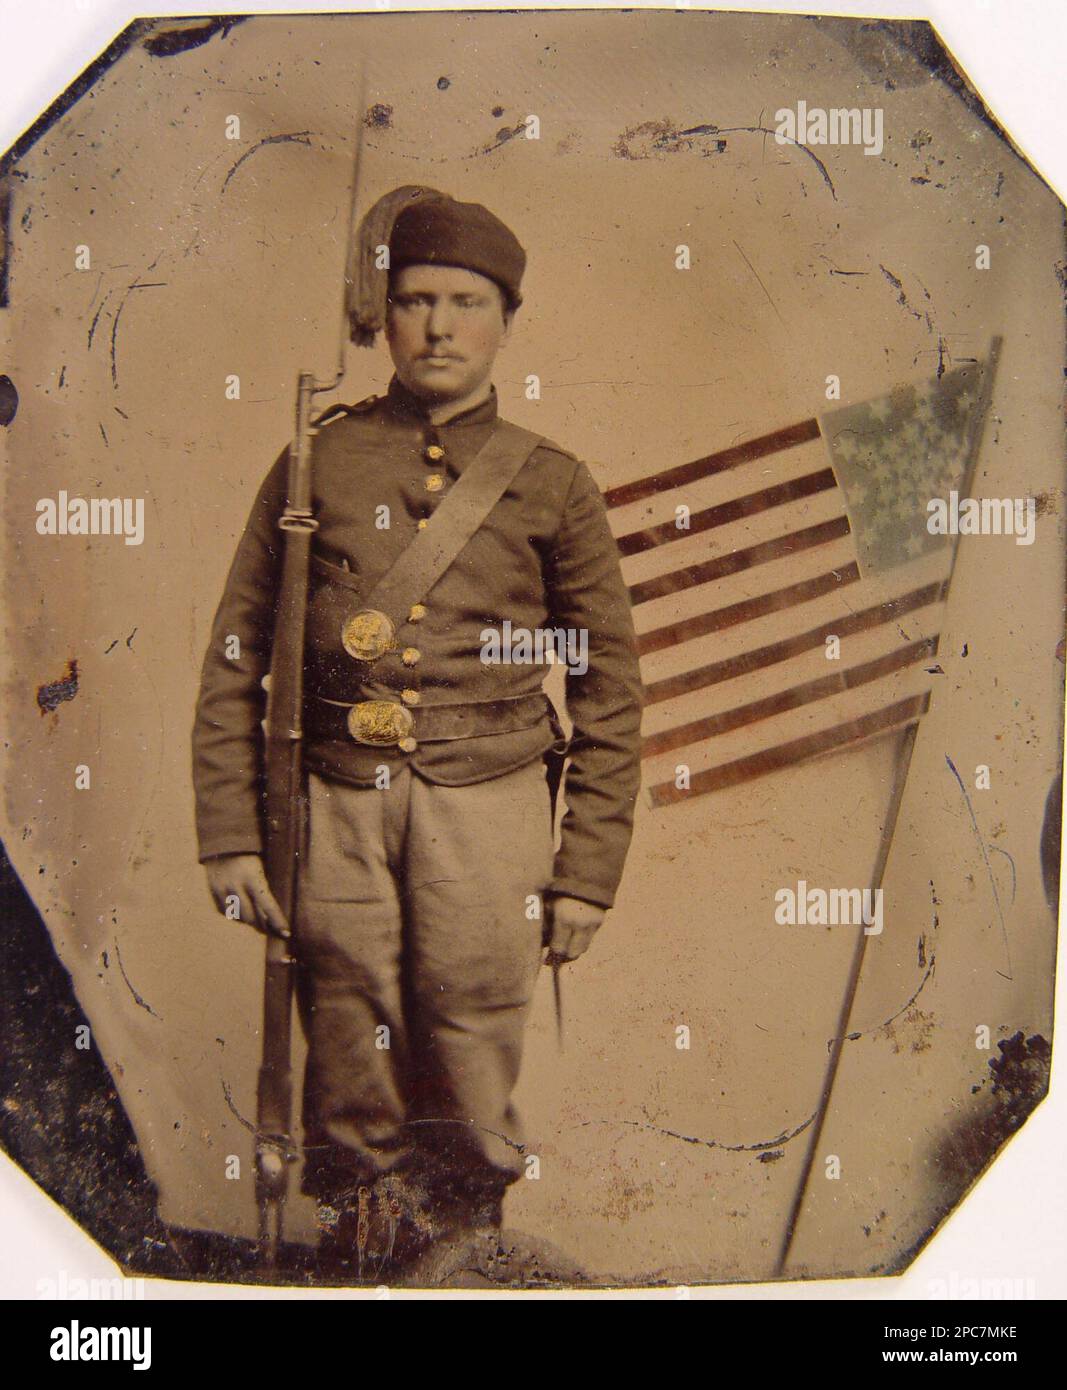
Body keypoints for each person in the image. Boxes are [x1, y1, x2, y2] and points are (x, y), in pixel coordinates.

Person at [191, 186, 644, 1277]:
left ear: (504, 321)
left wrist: (584, 872)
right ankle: (359, 1267)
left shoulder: (550, 484)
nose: (439, 326)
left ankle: (464, 1271)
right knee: (347, 1045)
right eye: (414, 301)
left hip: (487, 808)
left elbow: (607, 688)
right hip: (335, 804)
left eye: (467, 302)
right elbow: (234, 659)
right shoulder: (313, 462)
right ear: (382, 319)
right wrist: (230, 836)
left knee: (472, 1044)